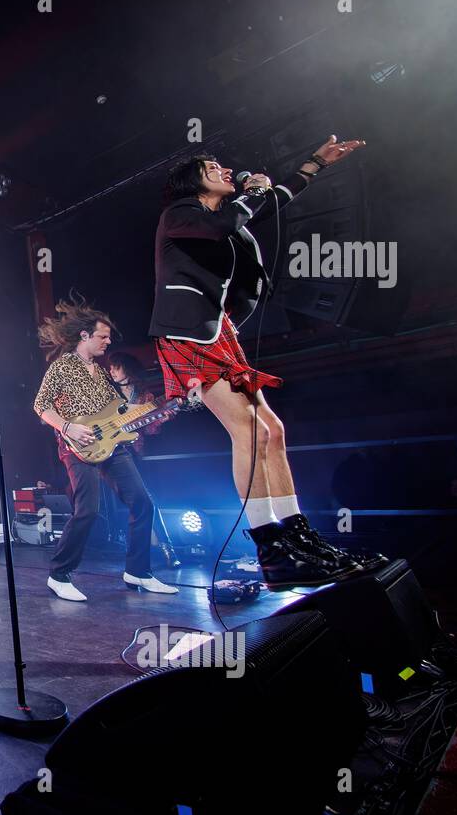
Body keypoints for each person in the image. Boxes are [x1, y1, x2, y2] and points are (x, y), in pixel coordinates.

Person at [148, 137, 385, 587]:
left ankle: (301, 538)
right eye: (211, 166)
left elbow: (267, 204)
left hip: (221, 332)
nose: (223, 169)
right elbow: (227, 224)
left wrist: (314, 163)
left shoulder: (226, 214)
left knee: (273, 430)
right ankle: (271, 550)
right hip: (188, 335)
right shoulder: (180, 215)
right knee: (249, 430)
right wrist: (251, 192)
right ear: (190, 181)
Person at [34, 296, 179, 600]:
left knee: (142, 503)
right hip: (77, 446)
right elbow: (41, 405)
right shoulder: (62, 367)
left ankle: (138, 572)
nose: (108, 341)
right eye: (102, 336)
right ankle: (59, 575)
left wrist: (159, 410)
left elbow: (118, 414)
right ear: (84, 336)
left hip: (113, 445)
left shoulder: (100, 373)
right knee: (87, 510)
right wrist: (67, 426)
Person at [105, 352, 180, 568]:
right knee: (131, 504)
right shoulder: (109, 394)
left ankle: (166, 548)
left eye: (116, 367)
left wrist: (161, 418)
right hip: (110, 453)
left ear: (127, 369)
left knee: (147, 501)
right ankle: (136, 549)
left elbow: (150, 430)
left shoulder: (146, 398)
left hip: (134, 454)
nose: (111, 371)